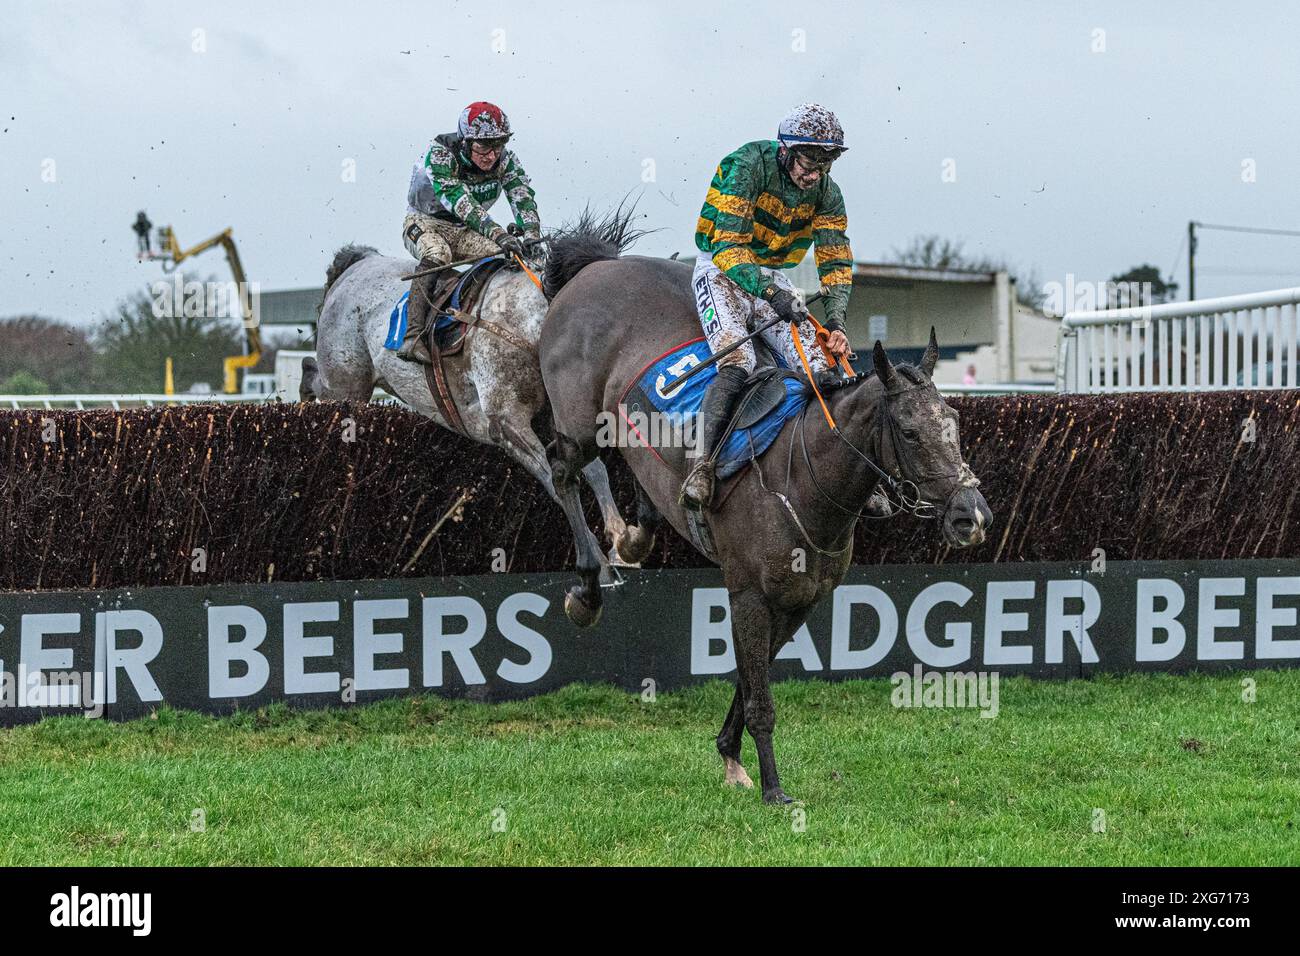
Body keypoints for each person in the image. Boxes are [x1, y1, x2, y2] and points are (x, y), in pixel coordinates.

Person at [680, 103, 856, 511]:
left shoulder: (828, 193)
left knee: (823, 366)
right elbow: (727, 244)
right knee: (738, 359)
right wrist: (771, 294)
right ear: (785, 150)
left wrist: (836, 322)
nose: (814, 174)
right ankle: (701, 465)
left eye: (825, 163)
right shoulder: (745, 164)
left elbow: (835, 261)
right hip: (720, 266)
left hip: (773, 273)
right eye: (808, 161)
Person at [398, 101, 541, 364]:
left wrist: (532, 234)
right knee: (437, 252)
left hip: (464, 230)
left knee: (505, 257)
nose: (491, 155)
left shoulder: (506, 160)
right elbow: (461, 203)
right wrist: (498, 233)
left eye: (498, 145)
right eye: (483, 147)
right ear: (465, 142)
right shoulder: (441, 154)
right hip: (425, 222)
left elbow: (521, 195)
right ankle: (413, 335)